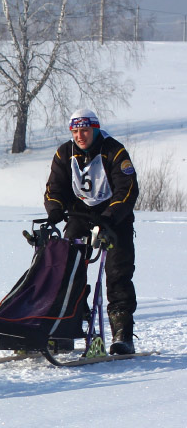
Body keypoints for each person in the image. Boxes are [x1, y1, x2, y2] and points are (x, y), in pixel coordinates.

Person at [43, 109, 139, 355]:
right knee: (68, 270)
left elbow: (127, 190)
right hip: (80, 216)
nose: (79, 136)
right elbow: (55, 188)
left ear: (95, 129)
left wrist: (109, 217)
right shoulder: (65, 153)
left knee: (117, 273)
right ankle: (68, 329)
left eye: (84, 130)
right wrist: (54, 209)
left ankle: (123, 334)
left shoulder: (114, 151)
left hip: (114, 219)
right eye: (75, 131)